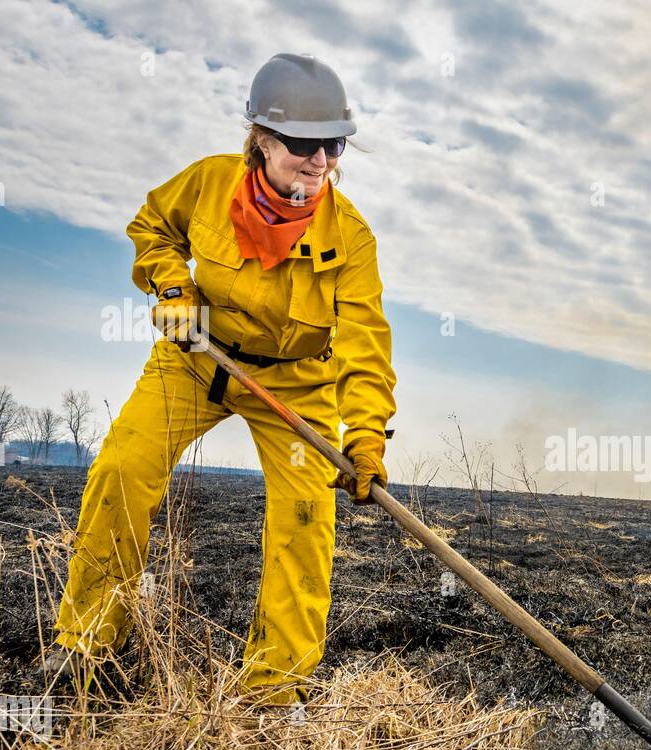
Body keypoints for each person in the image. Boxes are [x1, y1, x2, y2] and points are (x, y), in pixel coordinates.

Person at [44, 53, 396, 707]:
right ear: (261, 139)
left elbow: (365, 346)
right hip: (197, 355)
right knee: (123, 464)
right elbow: (152, 226)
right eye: (302, 143)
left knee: (304, 516)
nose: (320, 160)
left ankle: (274, 691)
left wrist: (366, 436)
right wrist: (171, 284)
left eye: (334, 143)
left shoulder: (351, 239)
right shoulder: (208, 185)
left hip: (296, 384)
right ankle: (86, 644)